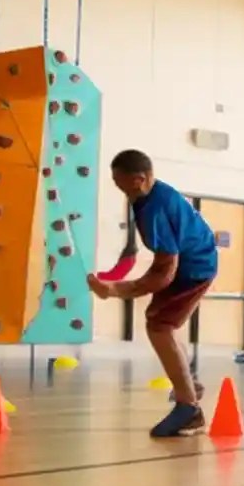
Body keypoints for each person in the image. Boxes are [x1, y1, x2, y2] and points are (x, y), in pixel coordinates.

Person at [87, 149, 218, 438]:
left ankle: (189, 409)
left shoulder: (155, 208)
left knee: (160, 326)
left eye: (120, 182)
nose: (117, 187)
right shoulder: (148, 197)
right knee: (160, 323)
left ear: (139, 179)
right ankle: (188, 383)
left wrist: (115, 290)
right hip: (192, 262)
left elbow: (164, 274)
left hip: (194, 269)